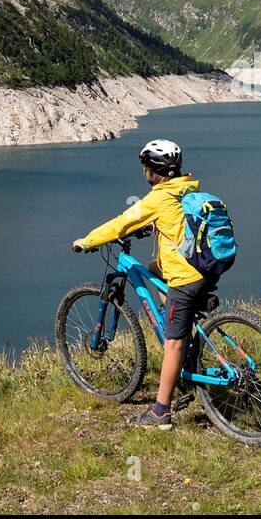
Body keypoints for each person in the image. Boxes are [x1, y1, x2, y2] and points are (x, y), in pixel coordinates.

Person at [73, 139, 215, 430]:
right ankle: (184, 343)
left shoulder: (156, 199)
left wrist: (87, 241)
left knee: (172, 343)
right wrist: (152, 225)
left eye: (145, 167)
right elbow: (179, 221)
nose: (144, 172)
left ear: (152, 170)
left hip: (186, 276)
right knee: (155, 270)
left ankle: (161, 412)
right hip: (208, 267)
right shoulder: (188, 187)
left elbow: (120, 224)